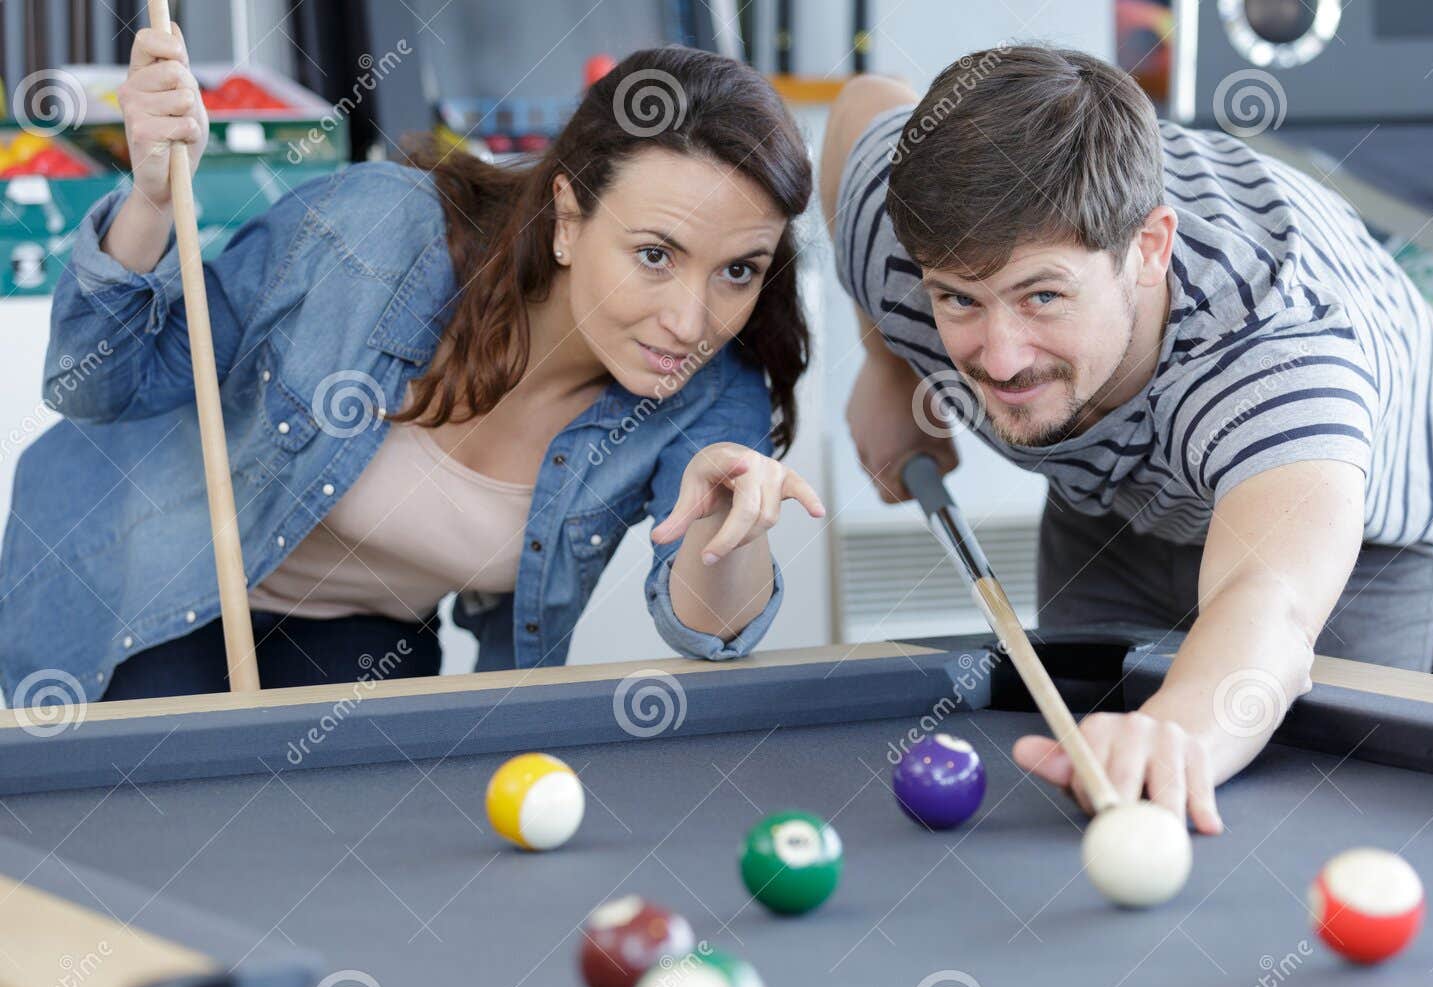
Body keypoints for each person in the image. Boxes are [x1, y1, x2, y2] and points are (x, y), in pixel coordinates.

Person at [0, 34, 823, 704]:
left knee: (346, 850)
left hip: (354, 632)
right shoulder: (373, 235)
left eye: (739, 272)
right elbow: (95, 384)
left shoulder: (712, 395)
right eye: (654, 255)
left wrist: (726, 521)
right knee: (161, 837)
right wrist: (148, 199)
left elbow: (711, 633)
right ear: (568, 218)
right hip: (139, 580)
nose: (691, 320)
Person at [821, 45, 1433, 832]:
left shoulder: (1275, 352)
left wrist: (1180, 730)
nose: (998, 358)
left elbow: (1268, 603)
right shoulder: (894, 234)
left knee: (1319, 815)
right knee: (1096, 778)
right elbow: (863, 105)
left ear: (1149, 248)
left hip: (1361, 531)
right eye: (960, 300)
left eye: (1042, 296)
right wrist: (885, 364)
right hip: (1115, 499)